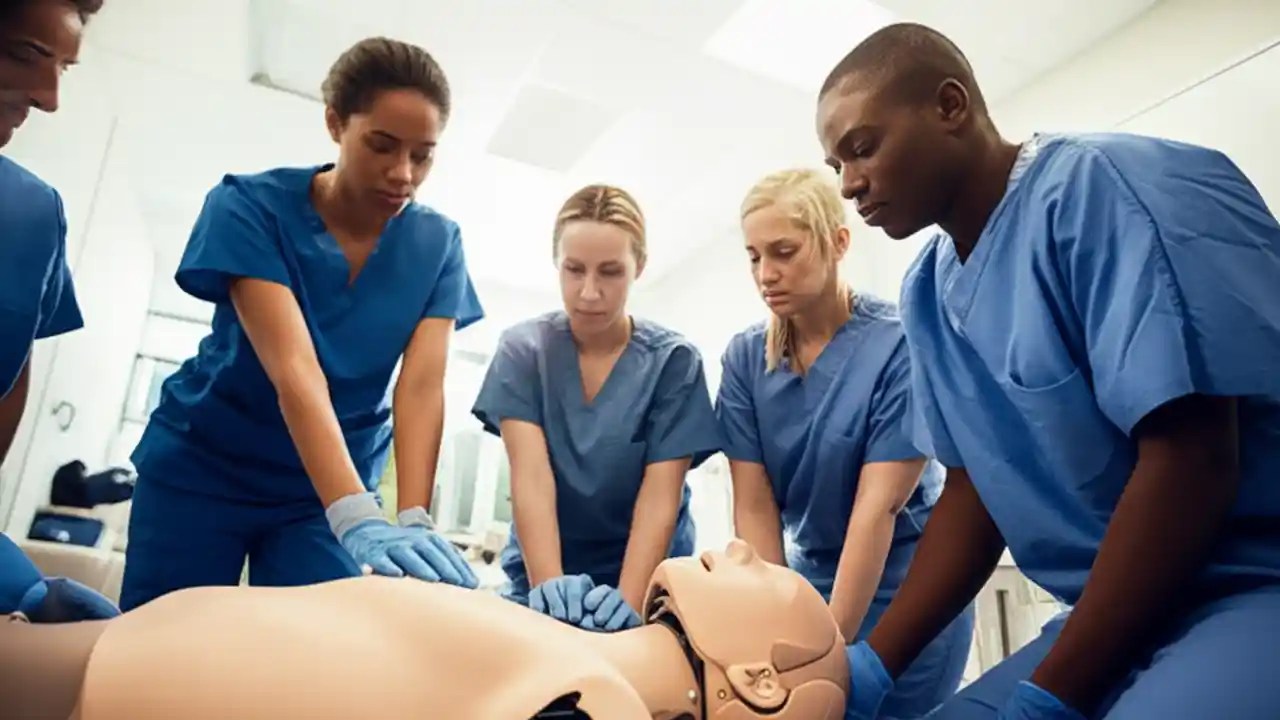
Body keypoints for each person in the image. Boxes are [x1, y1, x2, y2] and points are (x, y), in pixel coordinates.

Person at [815, 22, 1280, 720]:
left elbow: (1195, 458)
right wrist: (873, 664)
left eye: (862, 148)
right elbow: (975, 494)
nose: (850, 184)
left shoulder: (1109, 190)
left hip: (1247, 588)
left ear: (949, 107)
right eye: (836, 166)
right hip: (1110, 610)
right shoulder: (928, 294)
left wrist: (1053, 695)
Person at [120, 37, 483, 611]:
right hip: (205, 467)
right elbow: (295, 370)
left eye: (423, 154)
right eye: (383, 146)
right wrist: (354, 514)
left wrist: (412, 515)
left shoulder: (439, 242)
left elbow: (420, 387)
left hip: (320, 492)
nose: (403, 174)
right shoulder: (249, 206)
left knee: (315, 659)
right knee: (163, 645)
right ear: (336, 124)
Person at [1, 540, 850, 720]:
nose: (743, 545)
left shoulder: (595, 704)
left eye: (771, 577)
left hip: (103, 687)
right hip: (129, 646)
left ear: (763, 683)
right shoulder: (575, 658)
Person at [716, 168, 972, 718]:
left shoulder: (898, 343)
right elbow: (755, 505)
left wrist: (824, 654)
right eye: (755, 256)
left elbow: (877, 508)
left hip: (908, 588)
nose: (766, 273)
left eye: (784, 251)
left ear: (838, 242)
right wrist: (781, 626)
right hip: (808, 582)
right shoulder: (744, 360)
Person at [472, 184, 721, 631]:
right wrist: (547, 590)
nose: (589, 292)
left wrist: (630, 603)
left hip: (649, 584)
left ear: (638, 267)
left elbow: (659, 500)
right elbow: (530, 479)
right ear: (556, 264)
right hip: (540, 573)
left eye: (610, 272)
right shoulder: (523, 350)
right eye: (574, 270)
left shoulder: (673, 362)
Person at [1, 0, 119, 624]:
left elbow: (12, 372)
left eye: (62, 70)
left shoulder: (27, 216)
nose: (48, 98)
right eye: (23, 54)